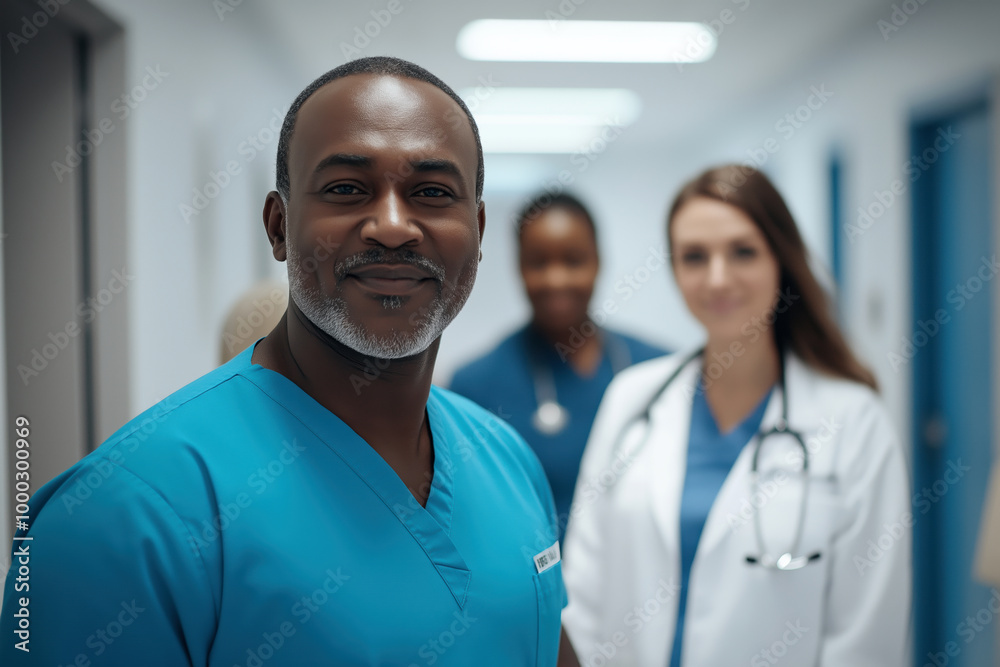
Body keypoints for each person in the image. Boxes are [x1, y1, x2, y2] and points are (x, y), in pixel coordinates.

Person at [1, 56, 580, 667]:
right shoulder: (119, 517)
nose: (391, 226)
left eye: (432, 193)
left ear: (479, 231)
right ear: (279, 227)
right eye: (347, 189)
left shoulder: (507, 460)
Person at [561, 164, 911, 666]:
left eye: (742, 251)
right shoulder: (632, 400)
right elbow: (585, 588)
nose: (717, 278)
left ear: (781, 261)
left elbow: (865, 634)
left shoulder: (854, 422)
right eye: (695, 257)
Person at [449, 193, 665, 540]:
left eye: (573, 260)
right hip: (540, 588)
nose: (556, 279)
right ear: (518, 268)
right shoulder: (476, 385)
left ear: (598, 261)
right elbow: (468, 515)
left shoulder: (658, 370)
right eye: (538, 262)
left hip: (642, 582)